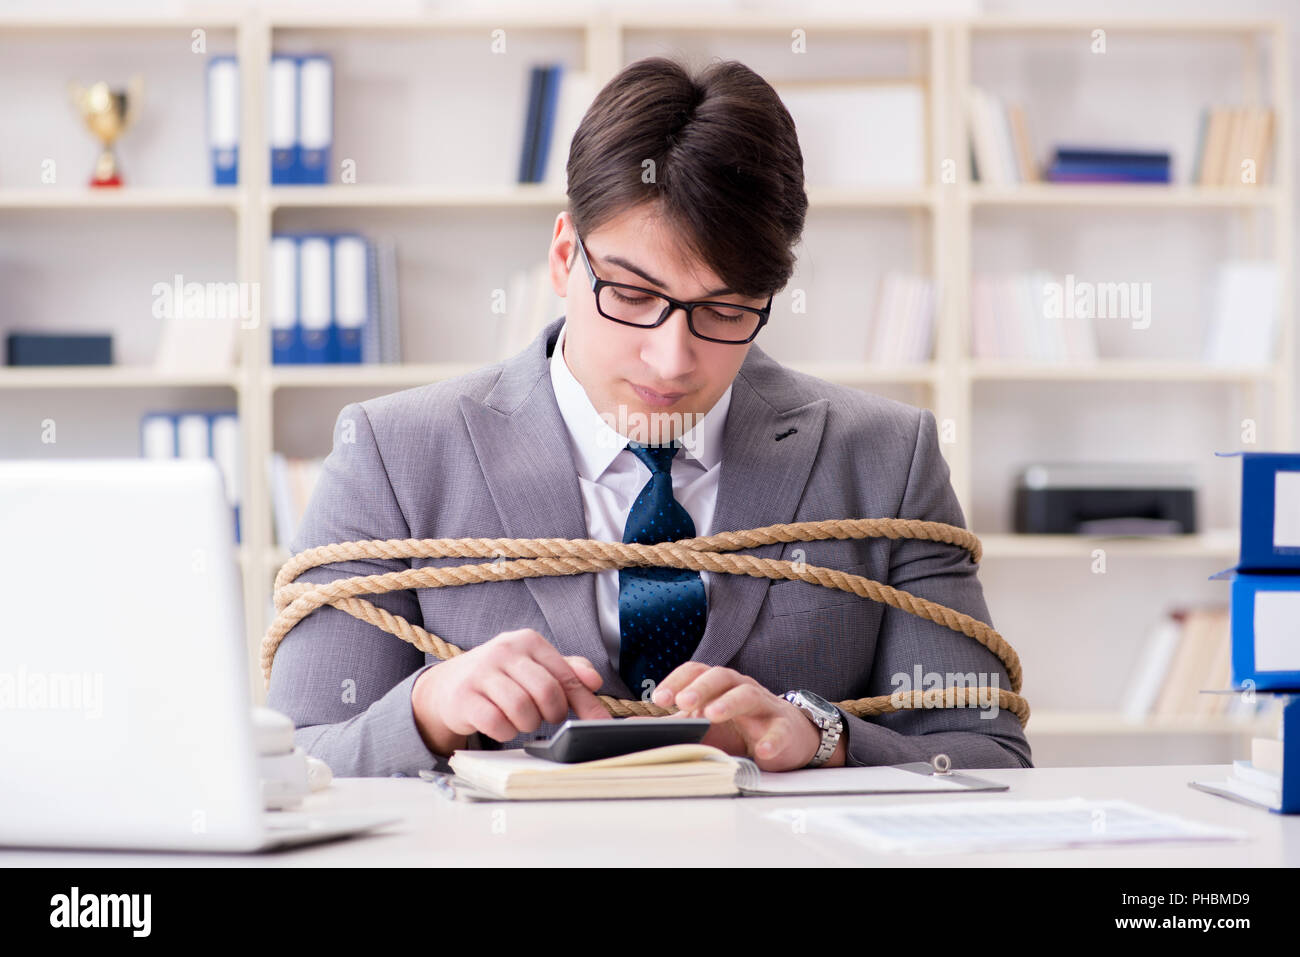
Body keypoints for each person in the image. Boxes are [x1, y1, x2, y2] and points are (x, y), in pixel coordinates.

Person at [266, 56, 1032, 777]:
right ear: (564, 258)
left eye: (726, 310)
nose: (671, 360)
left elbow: (986, 754)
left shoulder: (885, 457)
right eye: (632, 296)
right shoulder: (393, 453)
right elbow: (295, 762)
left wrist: (820, 736)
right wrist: (427, 710)